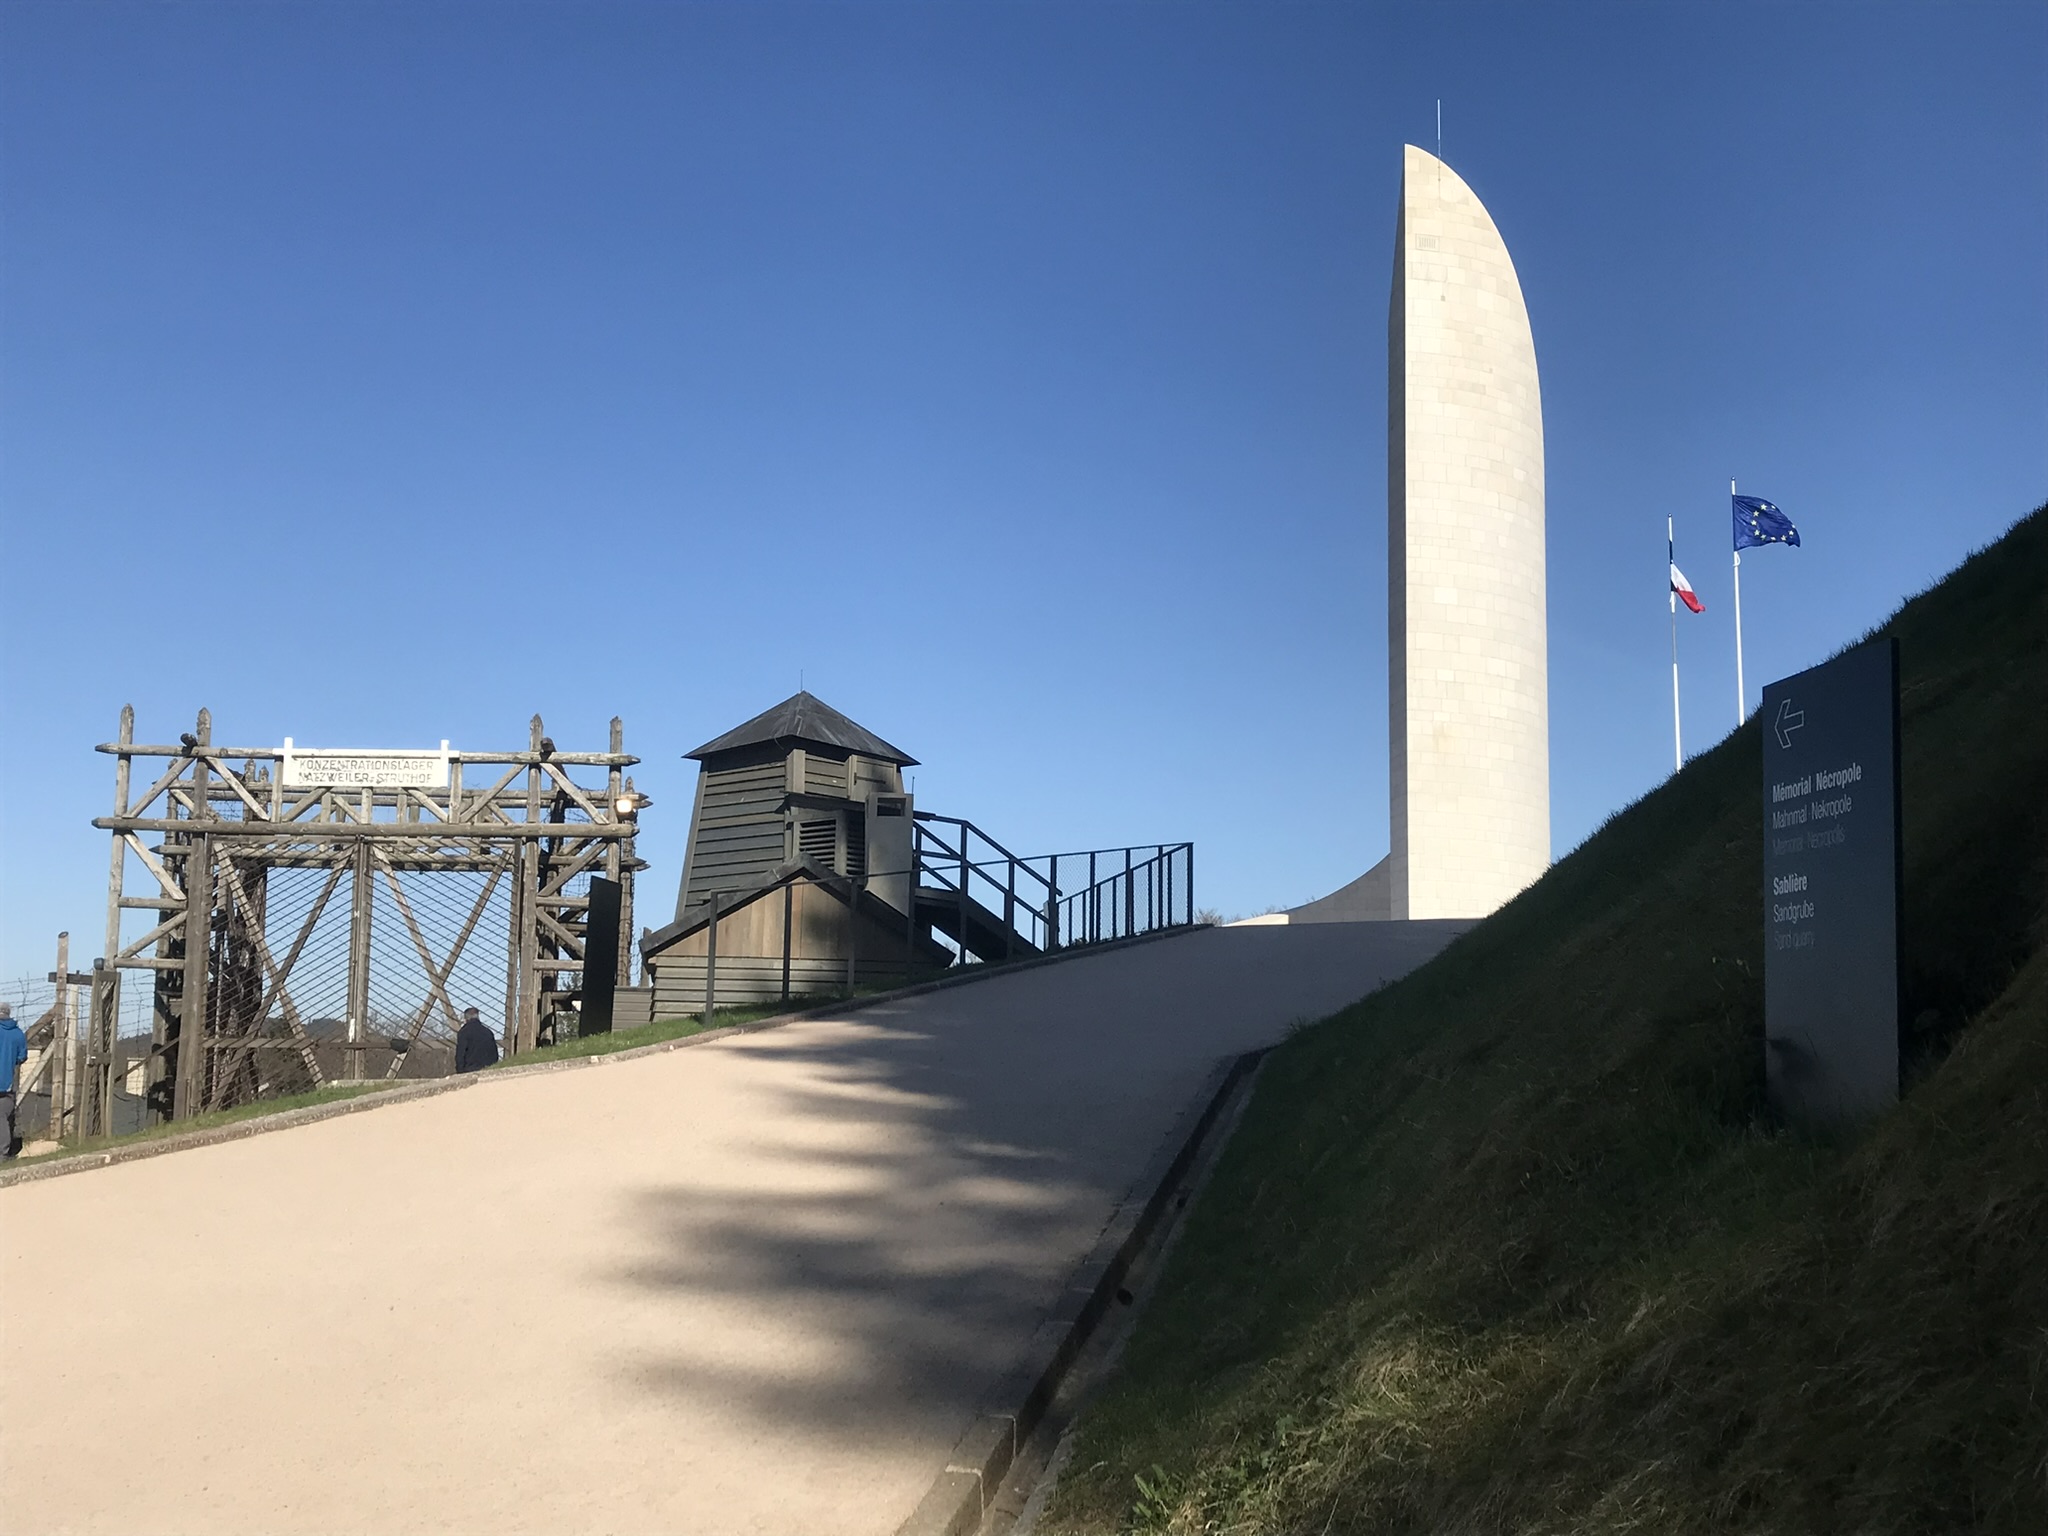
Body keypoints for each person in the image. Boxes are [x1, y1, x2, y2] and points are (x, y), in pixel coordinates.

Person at [0, 1003, 28, 1159]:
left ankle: (2, 1154)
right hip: (8, 1083)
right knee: (5, 1118)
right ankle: (6, 1152)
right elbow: (21, 1057)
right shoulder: (18, 1034)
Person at [453, 1007, 499, 1074]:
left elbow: (461, 1054)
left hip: (470, 1069)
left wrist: (460, 1071)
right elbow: (495, 1054)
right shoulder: (488, 1032)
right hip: (488, 1068)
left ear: (466, 1018)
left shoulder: (464, 1033)